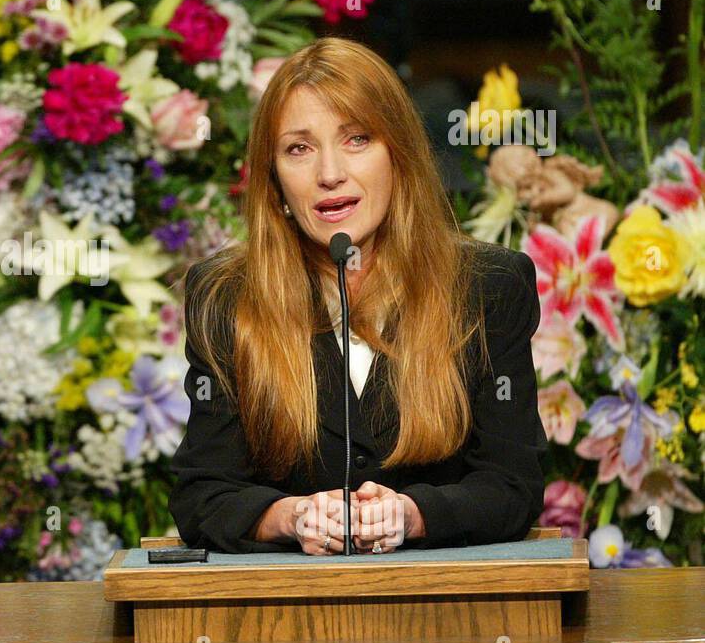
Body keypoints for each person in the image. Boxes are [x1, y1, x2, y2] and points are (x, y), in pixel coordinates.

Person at [168, 37, 546, 556]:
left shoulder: (488, 286)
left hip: (449, 612)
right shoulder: (226, 297)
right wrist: (291, 516)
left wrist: (412, 516)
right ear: (274, 177)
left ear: (400, 153)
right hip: (285, 618)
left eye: (357, 139)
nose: (329, 175)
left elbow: (512, 487)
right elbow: (203, 495)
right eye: (298, 149)